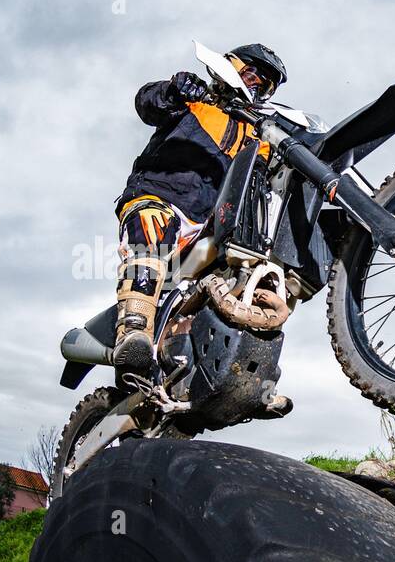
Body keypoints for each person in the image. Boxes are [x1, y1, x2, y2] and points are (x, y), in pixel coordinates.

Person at [111, 43, 287, 373]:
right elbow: (147, 103)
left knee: (246, 275)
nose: (254, 87)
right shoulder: (195, 100)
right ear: (232, 67)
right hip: (158, 197)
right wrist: (175, 89)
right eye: (251, 76)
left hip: (206, 227)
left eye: (263, 86)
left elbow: (265, 181)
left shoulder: (254, 133)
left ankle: (237, 366)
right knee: (151, 232)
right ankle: (133, 334)